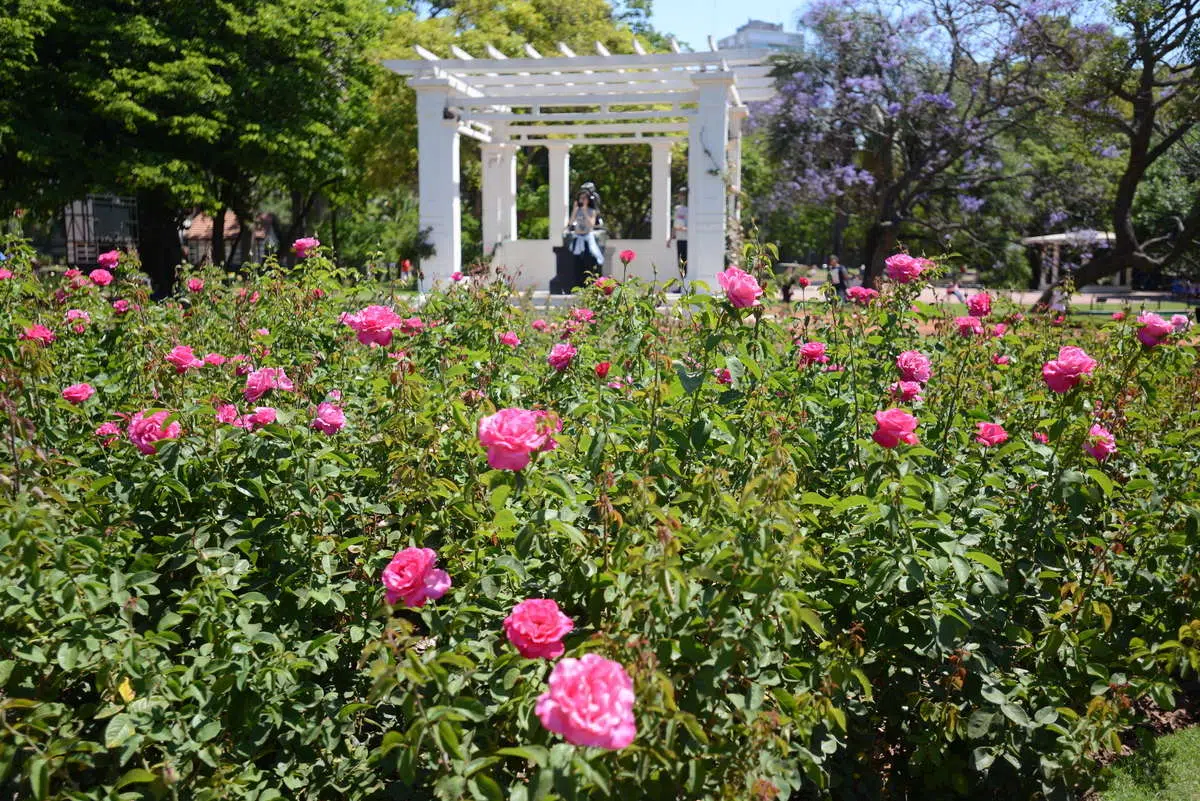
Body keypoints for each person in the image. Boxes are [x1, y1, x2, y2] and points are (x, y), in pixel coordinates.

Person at [567, 189, 604, 266]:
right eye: (581, 198)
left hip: (587, 238)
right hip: (577, 238)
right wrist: (574, 210)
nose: (582, 200)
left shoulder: (592, 211)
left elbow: (591, 224)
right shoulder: (577, 210)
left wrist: (584, 211)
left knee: (589, 259)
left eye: (584, 198)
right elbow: (570, 223)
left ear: (588, 199)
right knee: (576, 262)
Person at [669, 188, 688, 276]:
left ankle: (687, 285)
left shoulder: (690, 209)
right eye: (680, 194)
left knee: (686, 262)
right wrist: (670, 239)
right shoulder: (677, 209)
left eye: (682, 194)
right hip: (680, 239)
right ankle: (682, 285)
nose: (680, 196)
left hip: (688, 240)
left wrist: (683, 228)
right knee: (680, 262)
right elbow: (674, 226)